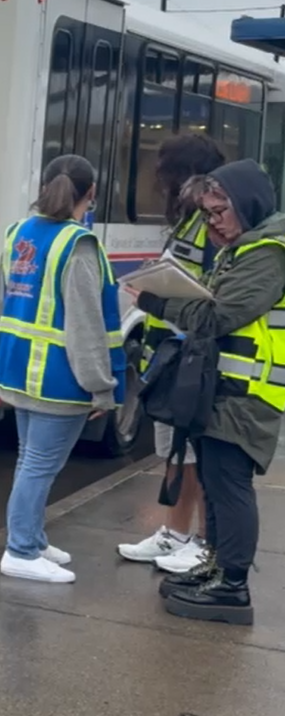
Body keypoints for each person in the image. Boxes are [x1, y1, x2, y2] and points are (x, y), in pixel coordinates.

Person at [134, 159, 285, 625]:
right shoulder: (244, 248)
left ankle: (232, 585)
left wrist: (156, 300)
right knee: (217, 487)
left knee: (229, 485)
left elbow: (218, 316)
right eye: (207, 213)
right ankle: (218, 568)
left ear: (247, 204)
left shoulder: (267, 253)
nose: (213, 222)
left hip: (246, 392)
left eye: (220, 212)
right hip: (224, 389)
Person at [0, 154, 127, 584]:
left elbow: (2, 303)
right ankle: (20, 551)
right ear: (91, 193)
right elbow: (87, 325)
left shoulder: (18, 232)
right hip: (59, 377)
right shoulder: (79, 244)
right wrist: (103, 388)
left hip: (18, 369)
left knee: (29, 460)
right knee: (38, 465)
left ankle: (29, 538)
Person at [117, 134, 226, 571]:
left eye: (165, 170)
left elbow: (210, 290)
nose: (159, 180)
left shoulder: (207, 224)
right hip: (170, 353)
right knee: (175, 453)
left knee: (194, 455)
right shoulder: (189, 222)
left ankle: (198, 539)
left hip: (190, 354)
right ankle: (175, 533)